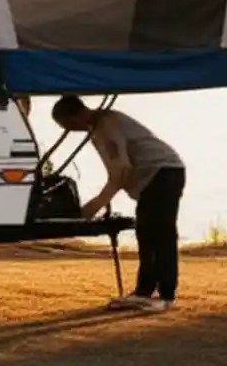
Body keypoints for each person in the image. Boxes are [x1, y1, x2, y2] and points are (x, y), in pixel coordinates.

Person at [51, 95, 185, 313]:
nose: (70, 130)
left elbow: (122, 170)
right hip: (151, 179)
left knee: (161, 233)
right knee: (145, 232)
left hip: (163, 172)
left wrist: (93, 207)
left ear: (75, 115)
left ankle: (166, 294)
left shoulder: (107, 124)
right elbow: (117, 170)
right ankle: (144, 290)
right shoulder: (97, 129)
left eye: (67, 124)